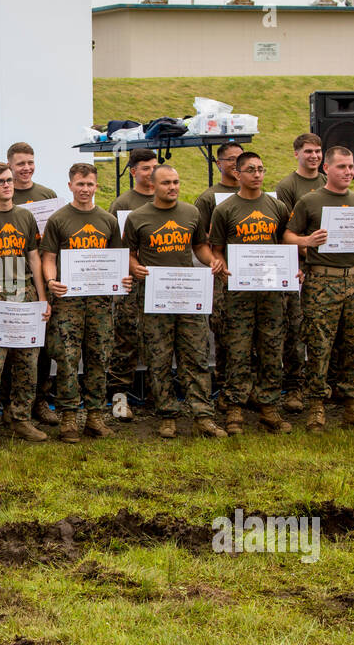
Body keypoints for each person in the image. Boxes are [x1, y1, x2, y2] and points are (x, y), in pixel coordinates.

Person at [123, 163, 228, 439]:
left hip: (188, 294)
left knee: (195, 354)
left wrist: (212, 261)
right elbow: (128, 252)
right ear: (153, 186)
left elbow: (199, 246)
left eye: (176, 182)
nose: (173, 187)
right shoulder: (137, 217)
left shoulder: (190, 213)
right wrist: (134, 266)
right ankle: (167, 414)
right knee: (159, 357)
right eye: (166, 183)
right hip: (155, 296)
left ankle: (202, 415)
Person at [282, 146, 354, 432]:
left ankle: (352, 405)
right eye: (341, 167)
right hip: (322, 281)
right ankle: (316, 407)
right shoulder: (310, 201)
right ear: (326, 169)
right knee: (320, 346)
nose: (347, 172)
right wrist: (307, 242)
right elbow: (286, 236)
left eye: (350, 167)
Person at [39, 162, 131, 443]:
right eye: (80, 184)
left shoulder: (108, 221)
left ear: (96, 186)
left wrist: (123, 279)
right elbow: (49, 258)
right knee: (67, 359)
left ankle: (94, 417)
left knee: (98, 357)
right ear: (70, 186)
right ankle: (68, 417)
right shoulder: (58, 219)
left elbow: (118, 259)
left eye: (90, 184)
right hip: (69, 302)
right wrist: (52, 281)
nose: (85, 189)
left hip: (100, 302)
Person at [210, 152, 292, 435]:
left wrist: (292, 268)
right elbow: (216, 248)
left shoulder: (277, 207)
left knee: (271, 347)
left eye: (260, 169)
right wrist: (219, 264)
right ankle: (234, 408)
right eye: (250, 170)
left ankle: (269, 406)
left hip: (270, 291)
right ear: (238, 173)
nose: (256, 174)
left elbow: (284, 243)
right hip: (238, 292)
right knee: (238, 349)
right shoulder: (226, 209)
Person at [0, 161, 50, 445]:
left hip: (25, 293)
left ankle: (20, 418)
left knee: (27, 363)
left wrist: (42, 298)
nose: (7, 185)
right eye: (0, 181)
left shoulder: (25, 216)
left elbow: (34, 257)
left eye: (8, 180)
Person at [6, 141, 60, 427]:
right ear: (9, 166)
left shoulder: (47, 195)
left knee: (40, 346)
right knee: (8, 344)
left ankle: (41, 400)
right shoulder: (4, 194)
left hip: (39, 276)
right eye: (20, 164)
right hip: (11, 280)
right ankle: (9, 404)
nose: (26, 168)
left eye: (30, 162)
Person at [274, 133, 327, 414]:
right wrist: (296, 260)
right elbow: (284, 232)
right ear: (296, 154)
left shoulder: (329, 181)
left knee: (322, 327)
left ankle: (322, 383)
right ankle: (294, 386)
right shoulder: (287, 186)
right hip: (298, 267)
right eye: (308, 151)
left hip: (329, 268)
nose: (314, 156)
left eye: (318, 151)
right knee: (294, 328)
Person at [194, 142, 244, 400]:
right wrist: (217, 260)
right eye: (231, 160)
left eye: (241, 159)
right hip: (223, 276)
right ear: (219, 164)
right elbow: (200, 238)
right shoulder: (208, 198)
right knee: (224, 330)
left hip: (254, 277)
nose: (237, 165)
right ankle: (225, 387)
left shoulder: (264, 198)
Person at [107, 148, 158, 395]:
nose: (151, 172)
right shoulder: (122, 203)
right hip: (132, 284)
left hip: (162, 283)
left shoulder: (168, 198)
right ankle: (119, 397)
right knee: (126, 339)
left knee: (158, 341)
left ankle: (154, 394)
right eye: (146, 168)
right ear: (134, 171)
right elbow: (115, 245)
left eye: (154, 167)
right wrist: (131, 267)